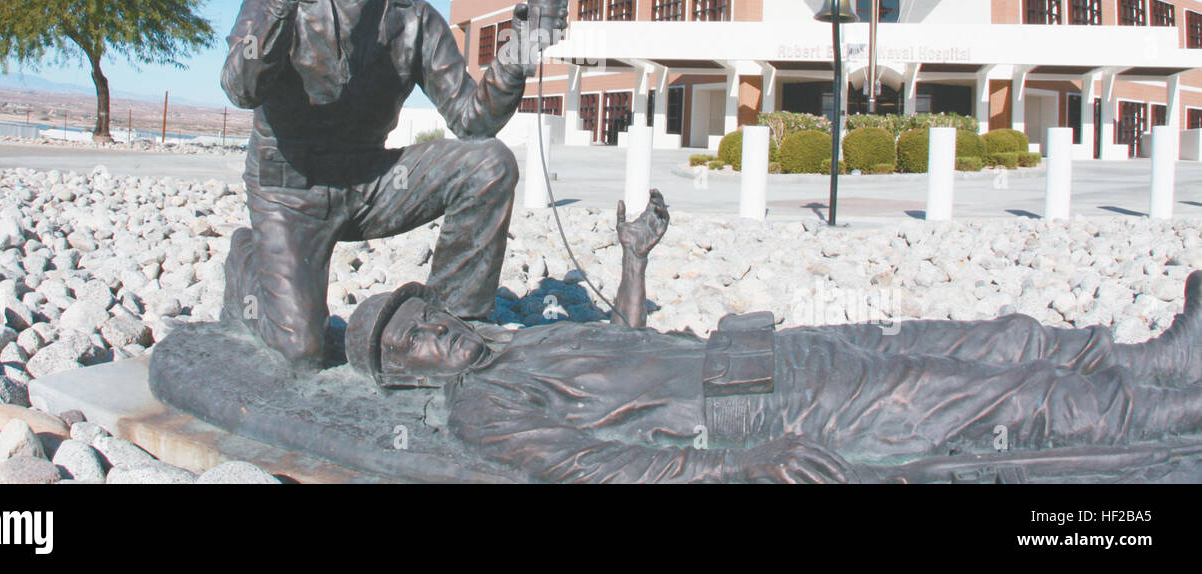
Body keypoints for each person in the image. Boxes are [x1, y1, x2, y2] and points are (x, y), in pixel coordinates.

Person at [345, 190, 1202, 483]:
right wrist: (738, 468)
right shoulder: (485, 405)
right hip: (769, 406)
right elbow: (599, 468)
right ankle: (1171, 411)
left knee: (989, 338)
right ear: (406, 380)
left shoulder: (518, 346)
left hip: (781, 351)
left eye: (426, 318)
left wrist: (634, 262)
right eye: (412, 345)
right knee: (997, 401)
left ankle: (1154, 359)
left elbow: (625, 346)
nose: (435, 336)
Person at [220, 0, 566, 368]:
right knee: (301, 352)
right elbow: (240, 89)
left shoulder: (413, 18)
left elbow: (472, 121)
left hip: (371, 182)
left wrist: (513, 62)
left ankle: (455, 321)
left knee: (490, 162)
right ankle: (249, 262)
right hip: (289, 190)